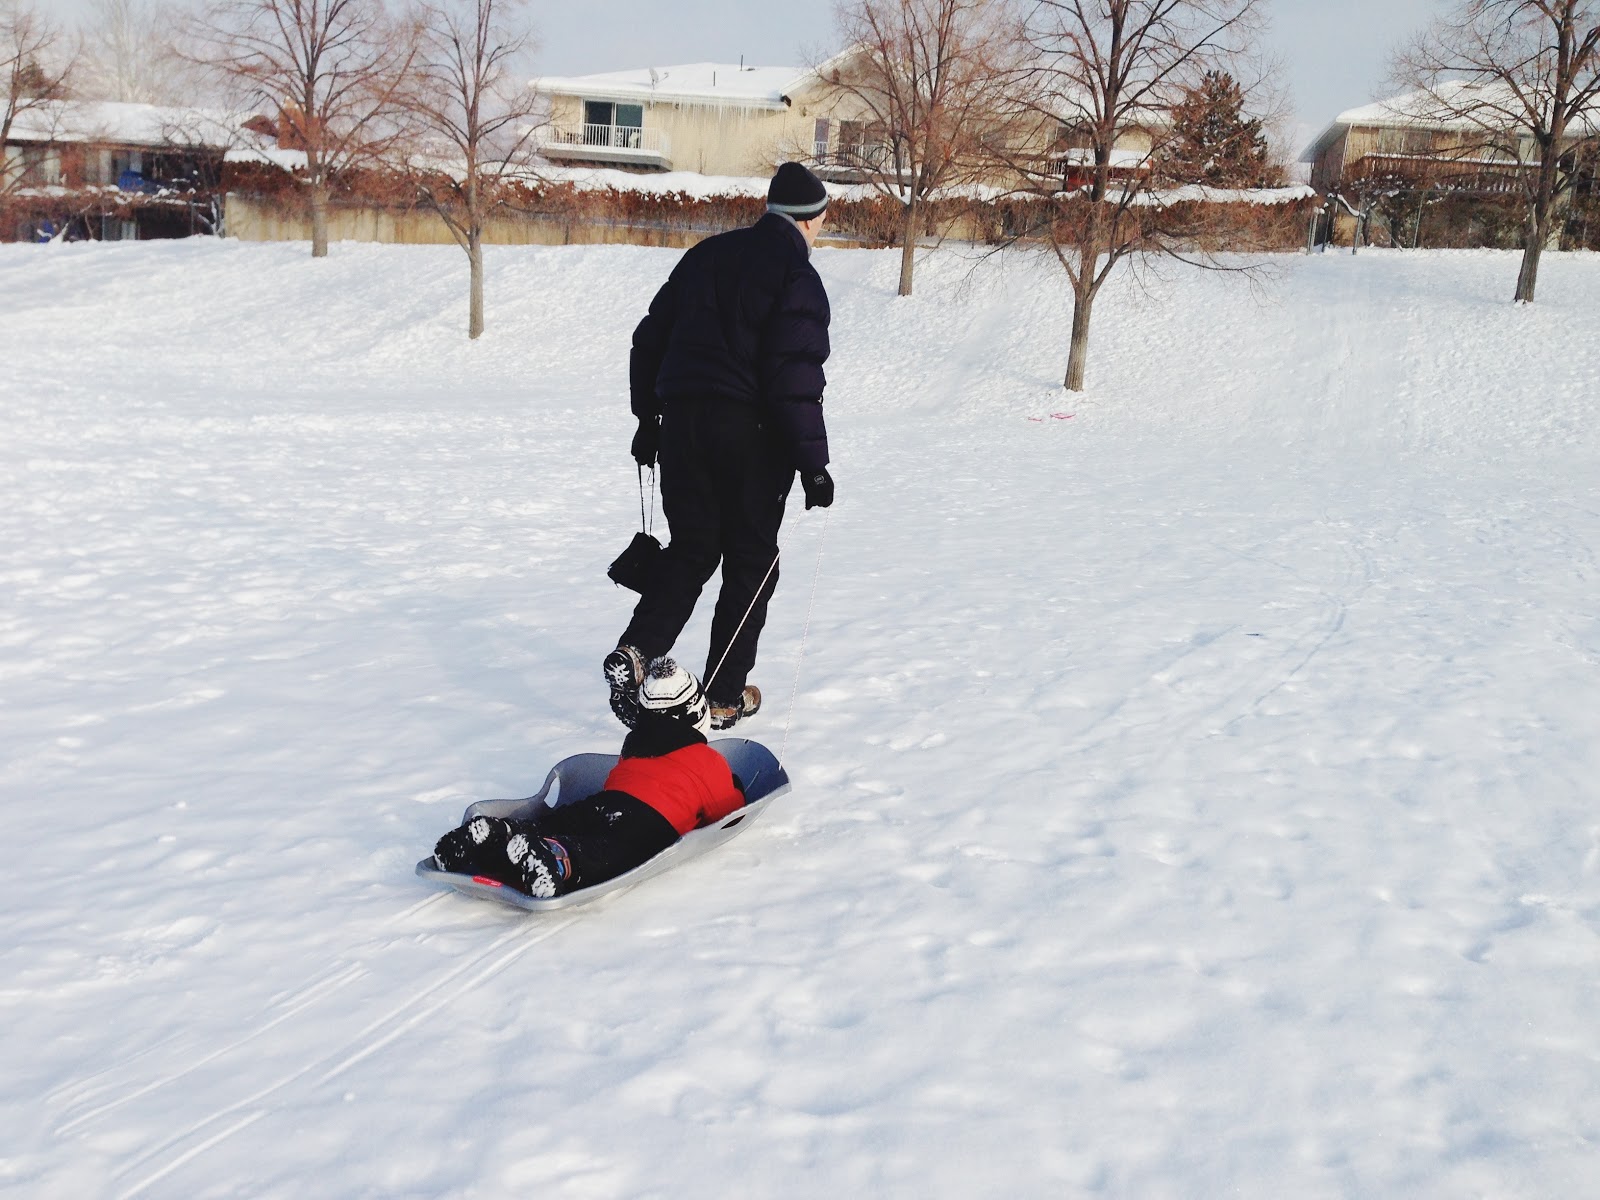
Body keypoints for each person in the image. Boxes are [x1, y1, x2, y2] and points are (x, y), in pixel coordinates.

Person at [604, 161, 836, 732]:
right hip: (751, 438)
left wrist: (647, 419)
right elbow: (793, 379)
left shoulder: (705, 256)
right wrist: (814, 466)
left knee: (692, 549)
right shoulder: (797, 276)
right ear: (811, 221)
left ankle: (635, 653)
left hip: (682, 429)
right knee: (752, 563)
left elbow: (647, 341)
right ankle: (725, 696)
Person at [433, 659, 745, 898]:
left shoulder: (633, 746)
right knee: (608, 851)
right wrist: (737, 787)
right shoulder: (709, 762)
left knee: (567, 821)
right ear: (694, 711)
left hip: (607, 800)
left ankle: (500, 835)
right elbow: (726, 814)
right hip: (652, 819)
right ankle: (557, 860)